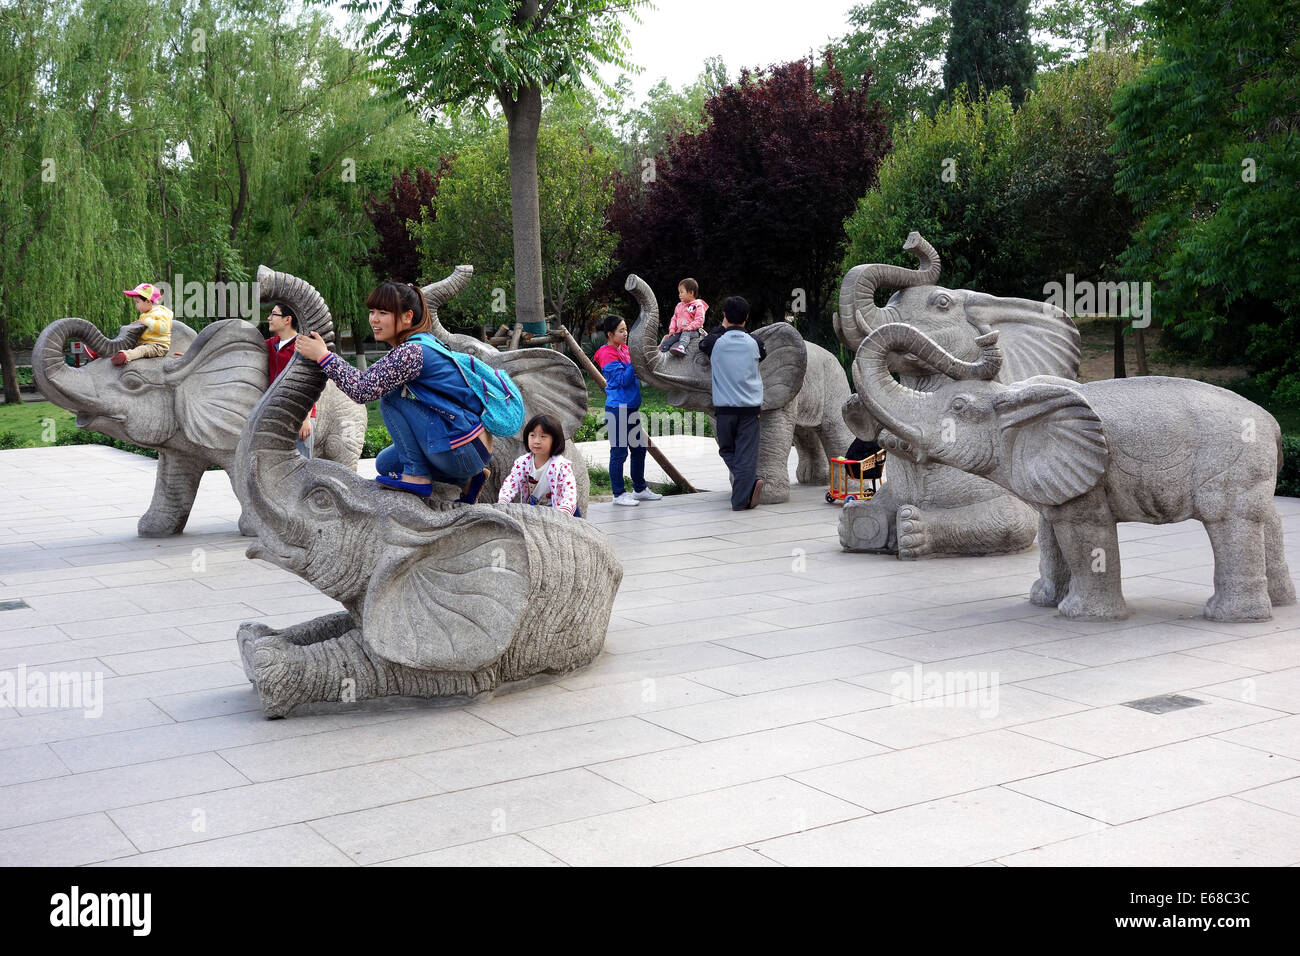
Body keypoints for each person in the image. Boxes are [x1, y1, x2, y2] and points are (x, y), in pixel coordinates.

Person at [294, 281, 491, 501]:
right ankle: (467, 480)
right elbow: (367, 379)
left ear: (407, 317)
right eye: (372, 312)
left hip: (463, 446)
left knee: (390, 399)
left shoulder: (412, 352)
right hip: (471, 448)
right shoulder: (420, 344)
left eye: (383, 313)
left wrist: (324, 356)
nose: (374, 319)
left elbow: (362, 390)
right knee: (385, 463)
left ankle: (417, 477)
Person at [700, 295, 765, 510]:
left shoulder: (715, 343)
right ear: (747, 317)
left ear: (725, 316)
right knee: (746, 454)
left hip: (724, 409)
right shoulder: (755, 344)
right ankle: (748, 486)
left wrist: (723, 326)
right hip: (750, 410)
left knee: (727, 450)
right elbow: (761, 354)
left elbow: (704, 342)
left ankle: (740, 500)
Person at [593, 315, 661, 507]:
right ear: (610, 334)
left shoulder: (624, 350)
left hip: (630, 409)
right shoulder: (606, 353)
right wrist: (635, 362)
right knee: (619, 453)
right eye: (621, 331)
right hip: (617, 409)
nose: (625, 334)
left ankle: (639, 489)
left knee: (639, 450)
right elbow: (623, 379)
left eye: (626, 330)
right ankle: (618, 493)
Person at [497, 414, 580, 516]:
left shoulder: (561, 466)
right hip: (535, 510)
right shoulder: (523, 462)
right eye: (532, 435)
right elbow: (512, 482)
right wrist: (503, 500)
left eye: (543, 436)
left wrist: (564, 513)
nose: (536, 441)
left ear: (555, 440)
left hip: (562, 511)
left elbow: (569, 490)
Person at [266, 301, 315, 458]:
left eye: (274, 314)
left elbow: (310, 383)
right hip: (276, 413)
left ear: (287, 320)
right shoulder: (270, 344)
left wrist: (305, 418)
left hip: (299, 415)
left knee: (302, 464)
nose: (269, 318)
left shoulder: (303, 346)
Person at [112, 283, 173, 366]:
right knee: (125, 343)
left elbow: (164, 328)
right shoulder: (145, 314)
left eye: (137, 302)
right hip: (144, 343)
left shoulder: (161, 312)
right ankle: (104, 350)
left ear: (147, 301)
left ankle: (125, 356)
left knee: (142, 350)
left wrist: (148, 322)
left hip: (157, 346)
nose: (136, 305)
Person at [660, 278, 708, 356]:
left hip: (693, 331)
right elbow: (674, 318)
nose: (679, 294)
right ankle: (662, 353)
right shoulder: (679, 306)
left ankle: (681, 347)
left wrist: (690, 327)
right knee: (667, 341)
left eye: (682, 292)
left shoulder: (698, 305)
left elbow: (700, 320)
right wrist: (672, 330)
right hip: (679, 331)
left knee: (685, 334)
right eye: (679, 292)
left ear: (691, 293)